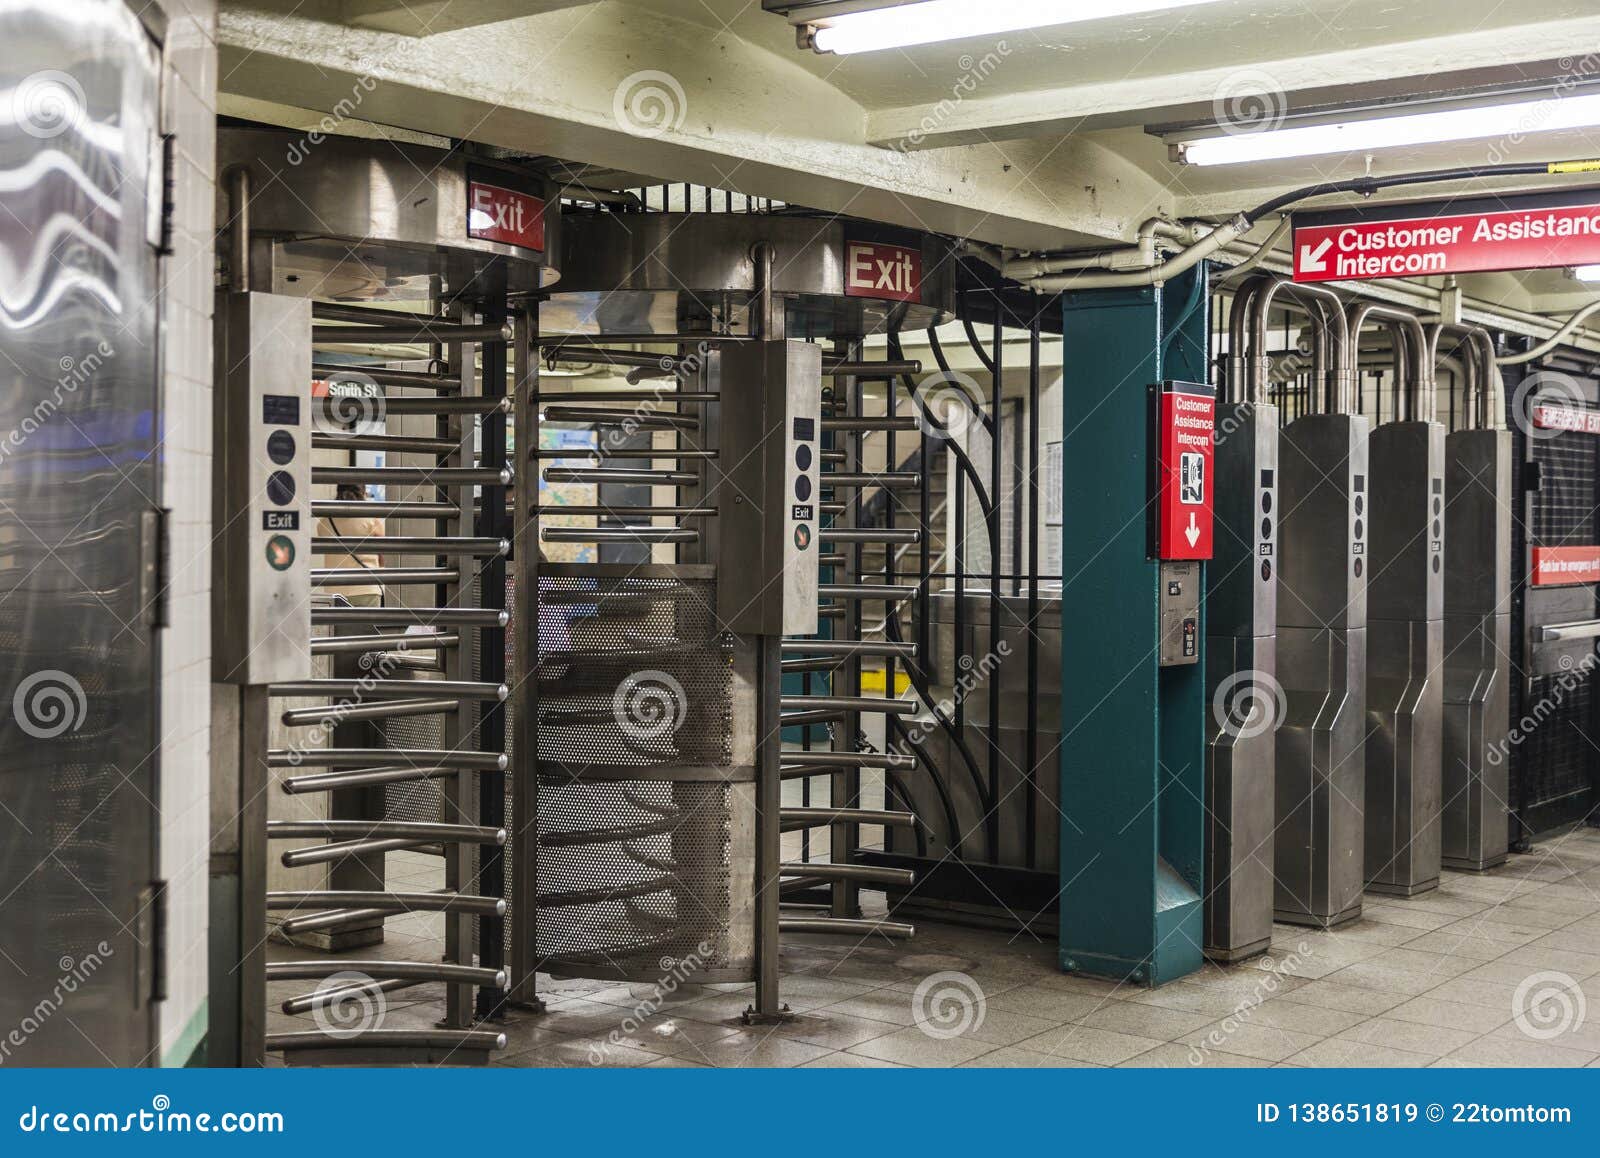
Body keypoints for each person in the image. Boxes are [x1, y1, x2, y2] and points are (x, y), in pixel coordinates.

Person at [315, 483, 384, 607]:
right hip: (366, 590)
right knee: (366, 627)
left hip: (335, 592)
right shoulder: (372, 520)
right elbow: (383, 559)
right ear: (363, 493)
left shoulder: (324, 522)